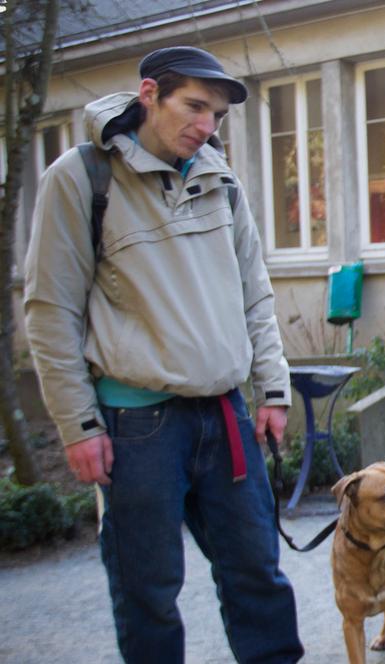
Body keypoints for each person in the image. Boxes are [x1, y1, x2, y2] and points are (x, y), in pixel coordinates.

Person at [23, 46, 303, 663]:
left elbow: (255, 292)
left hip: (225, 417)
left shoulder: (220, 179)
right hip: (136, 427)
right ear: (149, 93)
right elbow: (50, 312)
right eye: (195, 106)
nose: (206, 125)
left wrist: (273, 390)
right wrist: (78, 424)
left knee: (259, 577)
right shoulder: (82, 178)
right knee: (148, 591)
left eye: (217, 116)